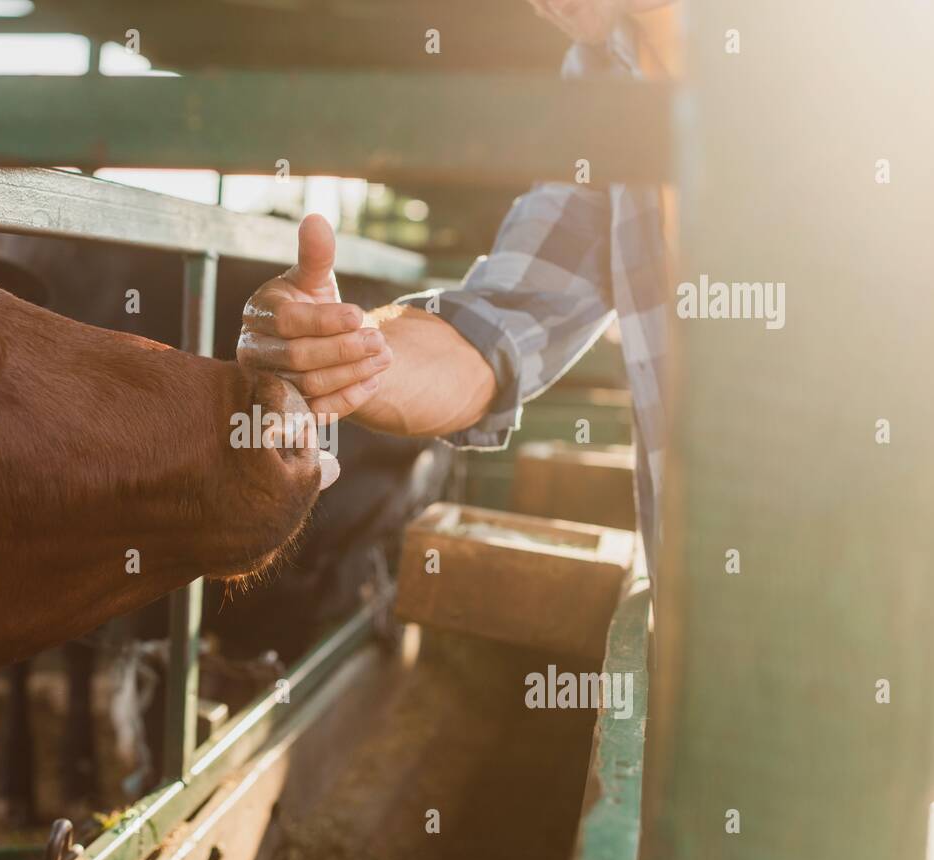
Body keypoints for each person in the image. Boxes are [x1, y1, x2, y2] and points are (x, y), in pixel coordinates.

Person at [237, 0, 674, 578]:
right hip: (694, 609)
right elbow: (500, 326)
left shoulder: (818, 45)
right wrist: (343, 352)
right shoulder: (601, 78)